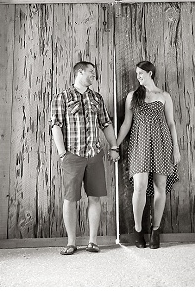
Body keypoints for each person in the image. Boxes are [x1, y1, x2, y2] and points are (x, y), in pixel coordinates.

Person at [50, 61, 120, 255]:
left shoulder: (97, 98)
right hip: (73, 155)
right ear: (79, 72)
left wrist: (114, 146)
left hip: (94, 155)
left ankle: (92, 241)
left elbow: (106, 124)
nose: (94, 75)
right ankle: (71, 242)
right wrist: (62, 153)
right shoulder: (62, 97)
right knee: (70, 199)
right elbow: (56, 125)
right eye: (91, 72)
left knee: (95, 197)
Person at [116, 61, 181, 248]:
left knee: (160, 186)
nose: (138, 77)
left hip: (162, 143)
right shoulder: (132, 96)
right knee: (140, 186)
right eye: (137, 74)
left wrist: (175, 148)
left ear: (150, 73)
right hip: (139, 143)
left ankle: (155, 230)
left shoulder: (164, 96)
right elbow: (126, 124)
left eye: (141, 73)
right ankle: (137, 231)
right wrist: (115, 146)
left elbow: (171, 124)